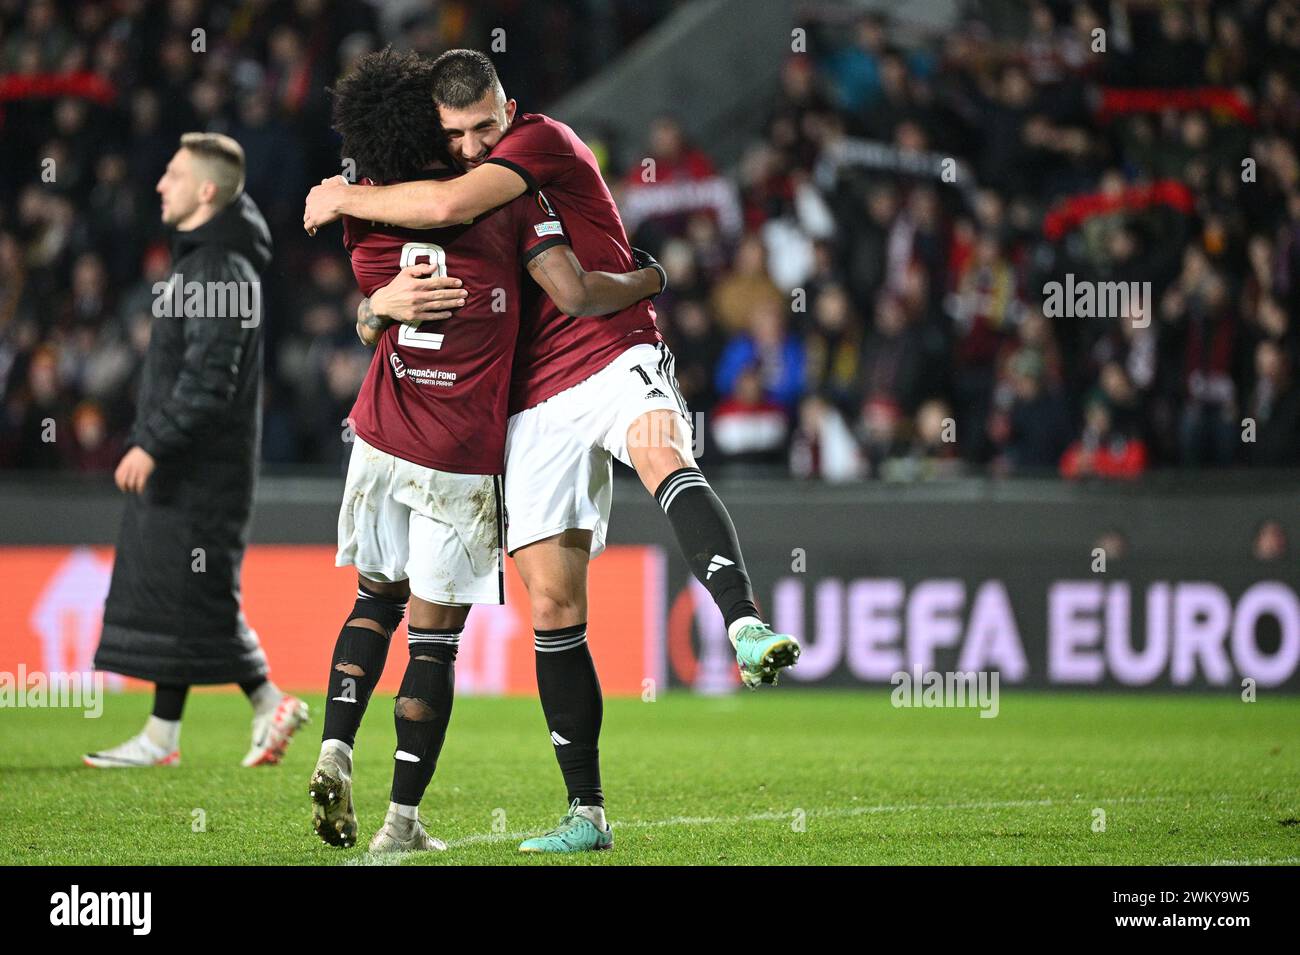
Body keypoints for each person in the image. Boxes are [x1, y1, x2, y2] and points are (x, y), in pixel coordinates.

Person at [305, 49, 799, 853]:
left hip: (603, 355)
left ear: (509, 106)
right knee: (553, 603)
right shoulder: (476, 192)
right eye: (457, 133)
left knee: (660, 449)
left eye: (483, 127)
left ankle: (742, 621)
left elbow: (463, 221)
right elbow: (480, 245)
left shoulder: (536, 146)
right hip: (525, 404)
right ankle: (587, 812)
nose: (473, 145)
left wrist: (342, 197)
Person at [86, 134, 308, 768]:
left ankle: (264, 702)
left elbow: (208, 382)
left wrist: (151, 444)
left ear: (206, 191)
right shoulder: (207, 264)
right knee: (179, 597)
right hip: (195, 468)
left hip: (199, 471)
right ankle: (167, 734)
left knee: (195, 594)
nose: (160, 184)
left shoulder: (217, 269)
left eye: (174, 175)